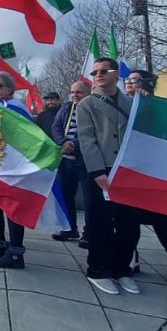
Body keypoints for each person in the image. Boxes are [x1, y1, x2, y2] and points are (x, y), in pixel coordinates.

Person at [77, 57, 141, 295]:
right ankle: (98, 269)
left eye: (104, 70)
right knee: (101, 224)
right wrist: (97, 171)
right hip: (103, 171)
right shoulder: (87, 104)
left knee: (129, 226)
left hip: (128, 172)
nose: (99, 75)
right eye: (95, 72)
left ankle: (121, 269)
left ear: (116, 73)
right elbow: (87, 139)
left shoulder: (132, 102)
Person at [125, 69, 167, 279]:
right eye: (127, 79)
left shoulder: (159, 107)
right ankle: (130, 255)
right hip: (129, 169)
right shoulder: (120, 104)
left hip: (154, 169)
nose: (129, 82)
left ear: (147, 83)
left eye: (135, 79)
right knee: (127, 217)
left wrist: (149, 107)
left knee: (162, 217)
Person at [0, 72, 30, 269]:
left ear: (10, 89)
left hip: (12, 167)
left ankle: (16, 252)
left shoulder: (17, 109)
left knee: (12, 210)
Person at [50, 81, 92, 244]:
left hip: (86, 160)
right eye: (73, 92)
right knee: (66, 196)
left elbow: (94, 131)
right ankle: (69, 229)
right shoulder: (67, 107)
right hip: (66, 160)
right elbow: (56, 126)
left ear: (88, 93)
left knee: (90, 199)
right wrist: (62, 142)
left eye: (79, 92)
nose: (75, 95)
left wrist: (74, 144)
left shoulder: (93, 107)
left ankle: (89, 233)